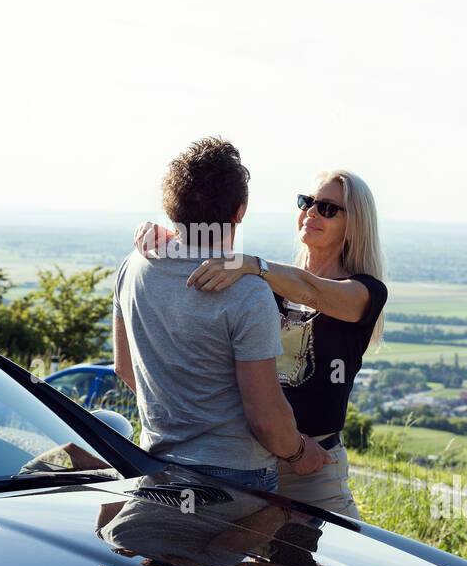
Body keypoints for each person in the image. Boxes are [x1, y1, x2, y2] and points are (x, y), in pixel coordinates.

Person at [135, 170, 387, 518]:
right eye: (307, 202)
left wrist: (252, 264)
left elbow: (310, 290)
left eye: (328, 209)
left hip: (312, 469)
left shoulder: (365, 292)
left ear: (355, 225)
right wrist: (165, 234)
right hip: (245, 464)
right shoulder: (261, 282)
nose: (312, 212)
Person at [112, 138, 333, 492]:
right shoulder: (246, 291)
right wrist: (299, 452)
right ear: (239, 212)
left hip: (155, 463)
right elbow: (264, 419)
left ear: (171, 205)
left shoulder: (133, 266)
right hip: (235, 474)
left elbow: (124, 368)